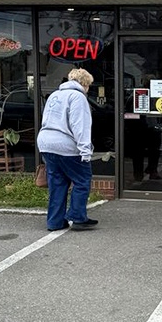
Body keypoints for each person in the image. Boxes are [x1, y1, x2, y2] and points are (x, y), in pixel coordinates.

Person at [37, 68, 98, 231]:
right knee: (82, 180)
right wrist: (85, 152)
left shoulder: (54, 96)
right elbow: (81, 126)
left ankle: (54, 222)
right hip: (66, 146)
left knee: (57, 183)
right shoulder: (78, 97)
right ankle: (78, 217)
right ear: (84, 83)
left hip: (46, 143)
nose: (88, 88)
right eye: (89, 85)